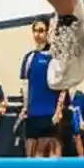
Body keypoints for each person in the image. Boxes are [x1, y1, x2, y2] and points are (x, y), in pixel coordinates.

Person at [20, 20, 64, 158]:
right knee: (32, 158)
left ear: (47, 33)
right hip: (33, 114)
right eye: (35, 31)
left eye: (41, 31)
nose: (37, 34)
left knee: (51, 156)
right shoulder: (29, 58)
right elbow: (25, 85)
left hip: (50, 114)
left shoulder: (55, 57)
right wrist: (25, 108)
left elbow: (63, 86)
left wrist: (58, 111)